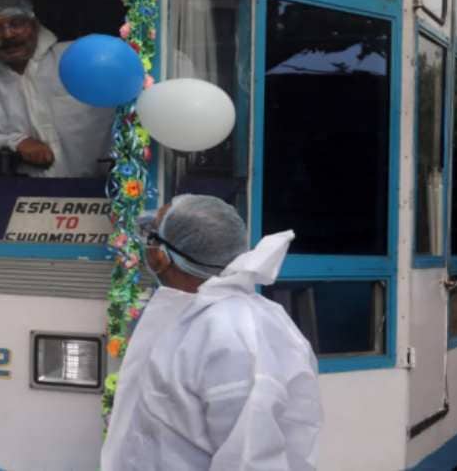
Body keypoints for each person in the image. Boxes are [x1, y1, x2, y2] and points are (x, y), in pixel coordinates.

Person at [101, 195, 322, 470]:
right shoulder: (190, 316)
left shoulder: (232, 333)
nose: (147, 244)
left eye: (152, 236)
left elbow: (248, 458)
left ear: (162, 256)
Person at [0, 0, 114, 178]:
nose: (8, 34)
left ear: (34, 24)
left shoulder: (80, 57)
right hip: (20, 199)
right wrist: (14, 143)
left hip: (101, 194)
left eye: (16, 23)